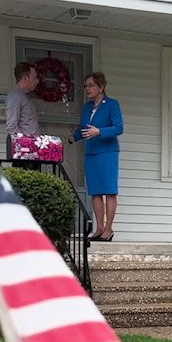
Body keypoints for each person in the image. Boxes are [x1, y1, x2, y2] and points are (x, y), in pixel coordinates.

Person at [68, 72, 123, 241]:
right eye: (86, 86)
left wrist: (100, 131)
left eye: (91, 85)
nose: (87, 89)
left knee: (109, 191)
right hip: (91, 153)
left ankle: (108, 229)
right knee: (96, 192)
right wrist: (74, 136)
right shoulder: (87, 107)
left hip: (107, 152)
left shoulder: (112, 105)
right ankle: (99, 229)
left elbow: (118, 128)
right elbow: (84, 128)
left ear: (101, 87)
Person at [6, 62, 40, 169]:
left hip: (32, 154)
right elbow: (12, 126)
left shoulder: (24, 97)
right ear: (25, 77)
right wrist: (25, 146)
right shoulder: (15, 96)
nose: (37, 81)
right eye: (34, 78)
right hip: (24, 156)